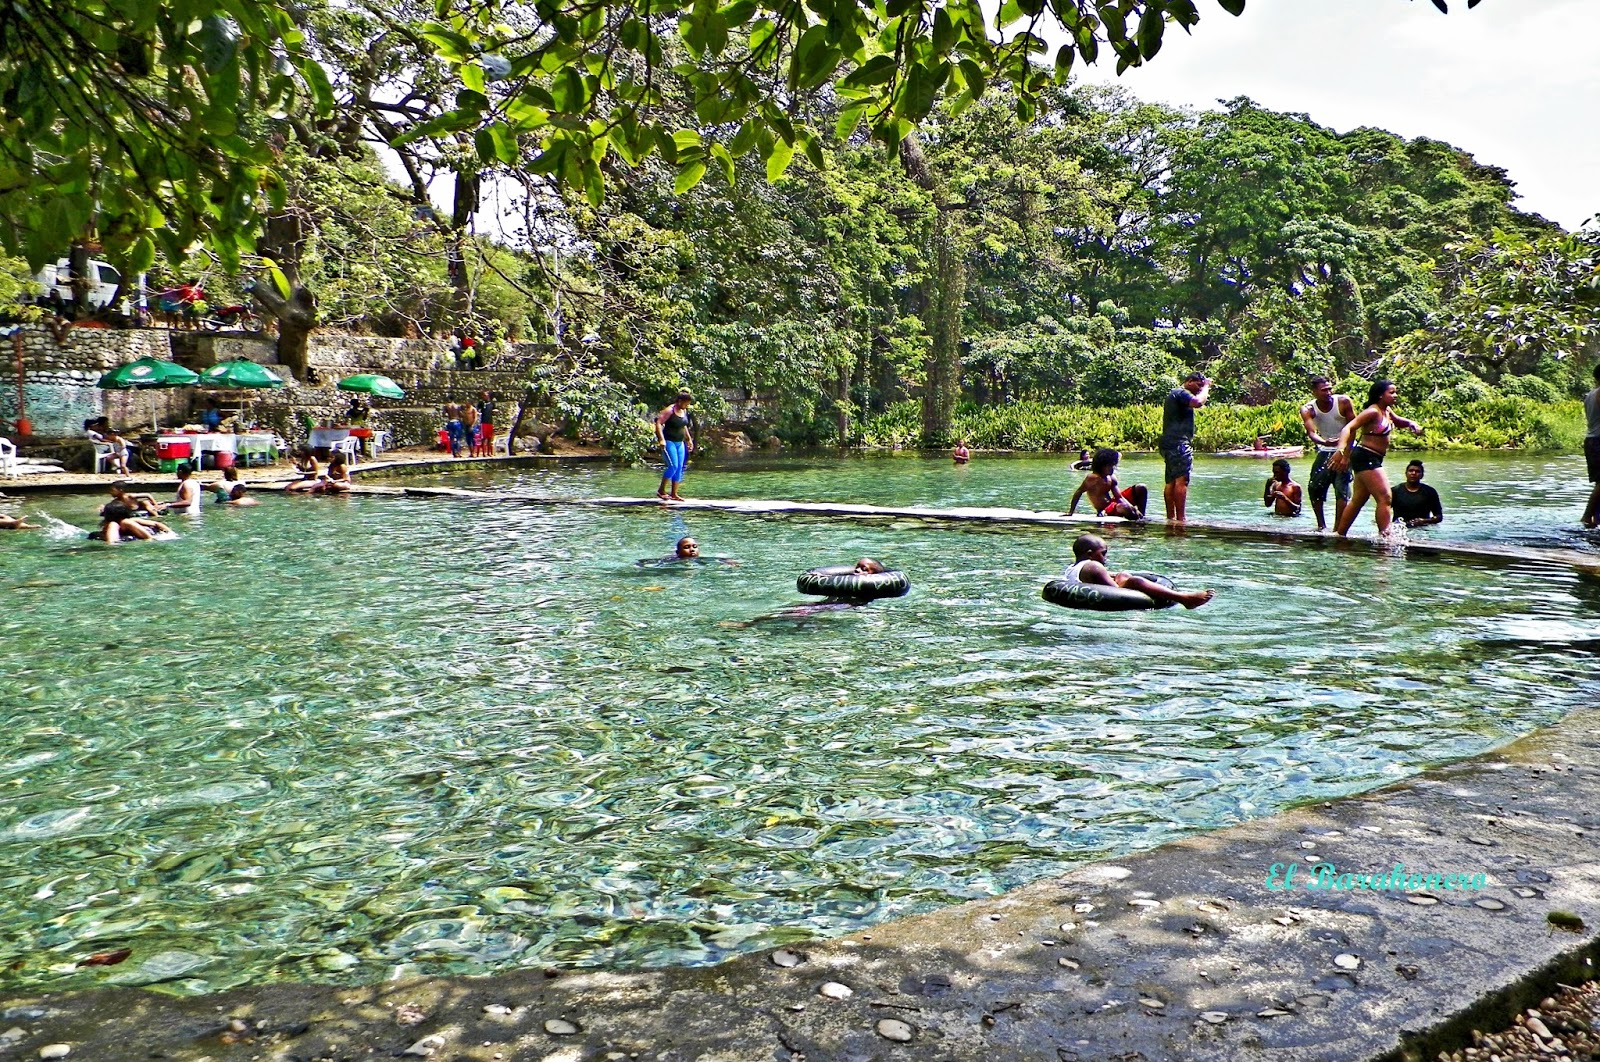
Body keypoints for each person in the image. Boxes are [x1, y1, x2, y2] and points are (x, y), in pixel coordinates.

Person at [1331, 380, 1424, 538]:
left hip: (1373, 457)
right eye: (1392, 392)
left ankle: (1340, 535)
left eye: (1396, 392)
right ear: (1381, 395)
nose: (1395, 396)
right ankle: (1385, 537)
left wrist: (1411, 424)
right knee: (1385, 497)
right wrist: (1340, 450)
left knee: (1358, 500)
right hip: (1365, 455)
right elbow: (1349, 428)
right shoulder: (1372, 411)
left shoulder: (1386, 410)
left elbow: (1398, 421)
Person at [1064, 534, 1215, 609]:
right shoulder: (1094, 566)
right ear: (1090, 554)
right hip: (1110, 599)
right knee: (1135, 581)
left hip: (1087, 593)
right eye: (1103, 553)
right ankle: (1184, 599)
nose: (1106, 558)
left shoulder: (1073, 568)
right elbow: (1115, 592)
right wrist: (1130, 582)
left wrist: (1122, 577)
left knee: (1123, 575)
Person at [1301, 376, 1357, 532]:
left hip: (1345, 448)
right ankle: (1321, 525)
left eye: (1330, 389)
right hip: (1325, 449)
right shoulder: (1308, 409)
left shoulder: (1343, 402)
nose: (1329, 392)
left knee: (1341, 488)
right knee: (1314, 487)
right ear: (1314, 392)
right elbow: (1311, 432)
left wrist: (1345, 454)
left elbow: (1353, 428)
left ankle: (1337, 528)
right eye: (1324, 390)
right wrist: (1324, 442)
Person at [1159, 371, 1211, 523]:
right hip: (1179, 442)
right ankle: (1181, 519)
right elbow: (1198, 403)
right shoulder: (1181, 392)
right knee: (1181, 480)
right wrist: (1206, 387)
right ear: (1189, 382)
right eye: (1198, 385)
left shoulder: (1175, 394)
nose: (1199, 389)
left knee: (1171, 480)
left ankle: (1171, 518)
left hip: (1168, 442)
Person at [1068, 448, 1147, 520]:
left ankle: (1142, 517)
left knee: (1141, 487)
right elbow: (1078, 492)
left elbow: (1119, 497)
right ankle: (1137, 524)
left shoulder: (1112, 477)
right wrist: (1070, 512)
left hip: (1113, 504)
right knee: (1125, 507)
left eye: (1113, 465)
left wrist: (1133, 509)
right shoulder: (1092, 478)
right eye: (1110, 466)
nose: (1113, 468)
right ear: (1102, 466)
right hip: (1105, 509)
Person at [654, 389, 696, 501]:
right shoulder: (670, 410)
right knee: (673, 466)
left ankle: (674, 494)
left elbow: (684, 425)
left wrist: (689, 439)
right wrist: (661, 439)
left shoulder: (684, 411)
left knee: (679, 468)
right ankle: (661, 491)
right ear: (680, 401)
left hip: (680, 442)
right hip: (669, 441)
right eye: (686, 403)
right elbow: (658, 423)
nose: (687, 406)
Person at [1390, 460, 1443, 528]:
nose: (1413, 473)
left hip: (1423, 529)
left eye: (1417, 471)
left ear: (1422, 475)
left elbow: (1439, 517)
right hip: (1399, 529)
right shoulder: (1395, 491)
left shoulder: (1430, 492)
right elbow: (1384, 511)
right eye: (1411, 471)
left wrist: (1424, 521)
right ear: (1406, 473)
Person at [1584, 363, 1600, 529]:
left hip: (1592, 440)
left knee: (1599, 483)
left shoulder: (1590, 394)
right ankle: (1587, 516)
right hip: (1598, 440)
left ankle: (1594, 520)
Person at [475, 391, 496, 456]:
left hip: (490, 422)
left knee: (490, 438)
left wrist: (495, 412)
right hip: (483, 422)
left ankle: (489, 452)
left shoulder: (492, 403)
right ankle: (484, 453)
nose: (484, 397)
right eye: (483, 395)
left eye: (485, 395)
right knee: (483, 438)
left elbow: (494, 411)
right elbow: (477, 409)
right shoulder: (481, 403)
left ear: (488, 396)